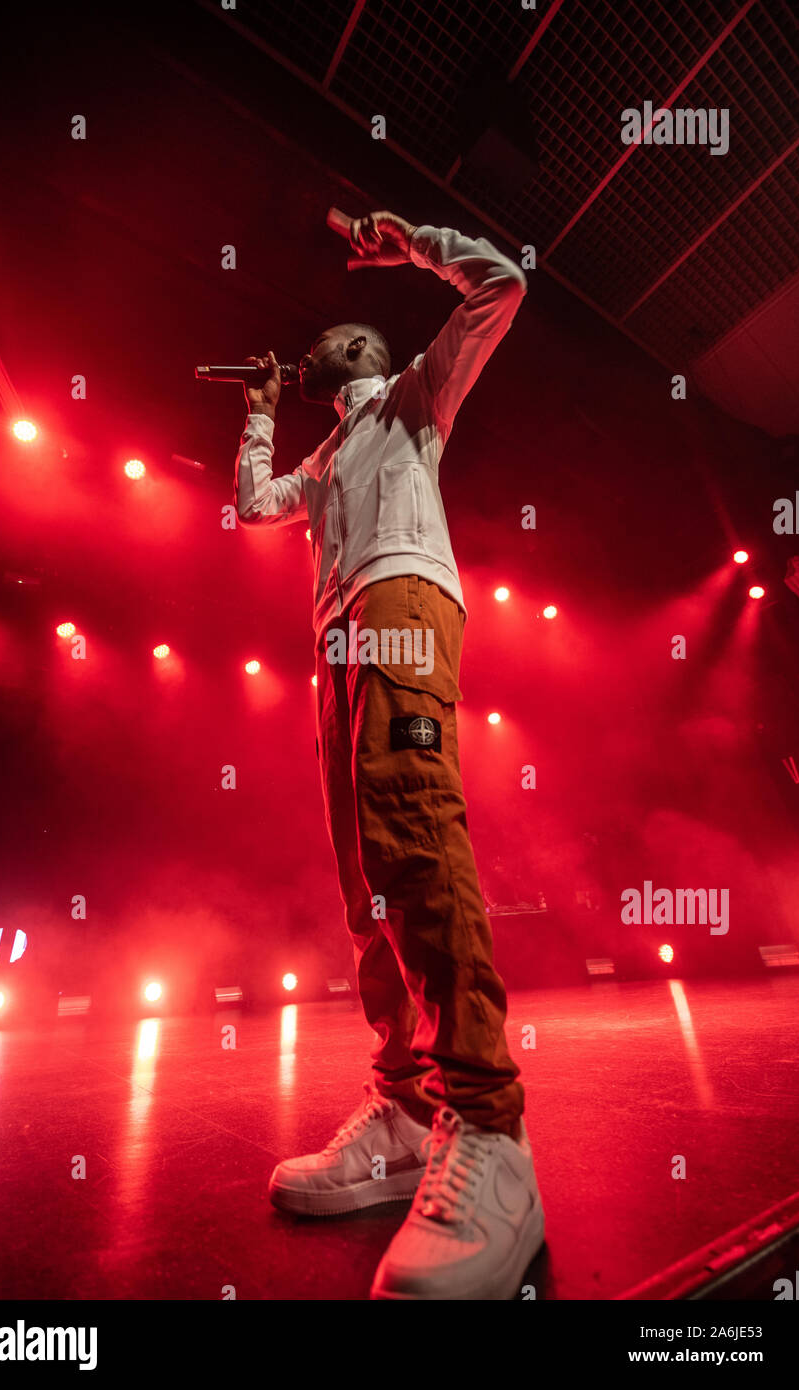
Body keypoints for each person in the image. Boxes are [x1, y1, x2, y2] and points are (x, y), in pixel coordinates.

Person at [235, 210, 544, 1300]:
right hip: (333, 636)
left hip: (405, 600)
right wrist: (263, 415)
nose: (320, 340)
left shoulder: (416, 394)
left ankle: (491, 1126)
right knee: (362, 873)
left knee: (412, 825)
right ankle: (410, 1105)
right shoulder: (321, 457)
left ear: (366, 352)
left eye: (336, 333)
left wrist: (405, 239)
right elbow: (248, 508)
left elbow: (501, 284)